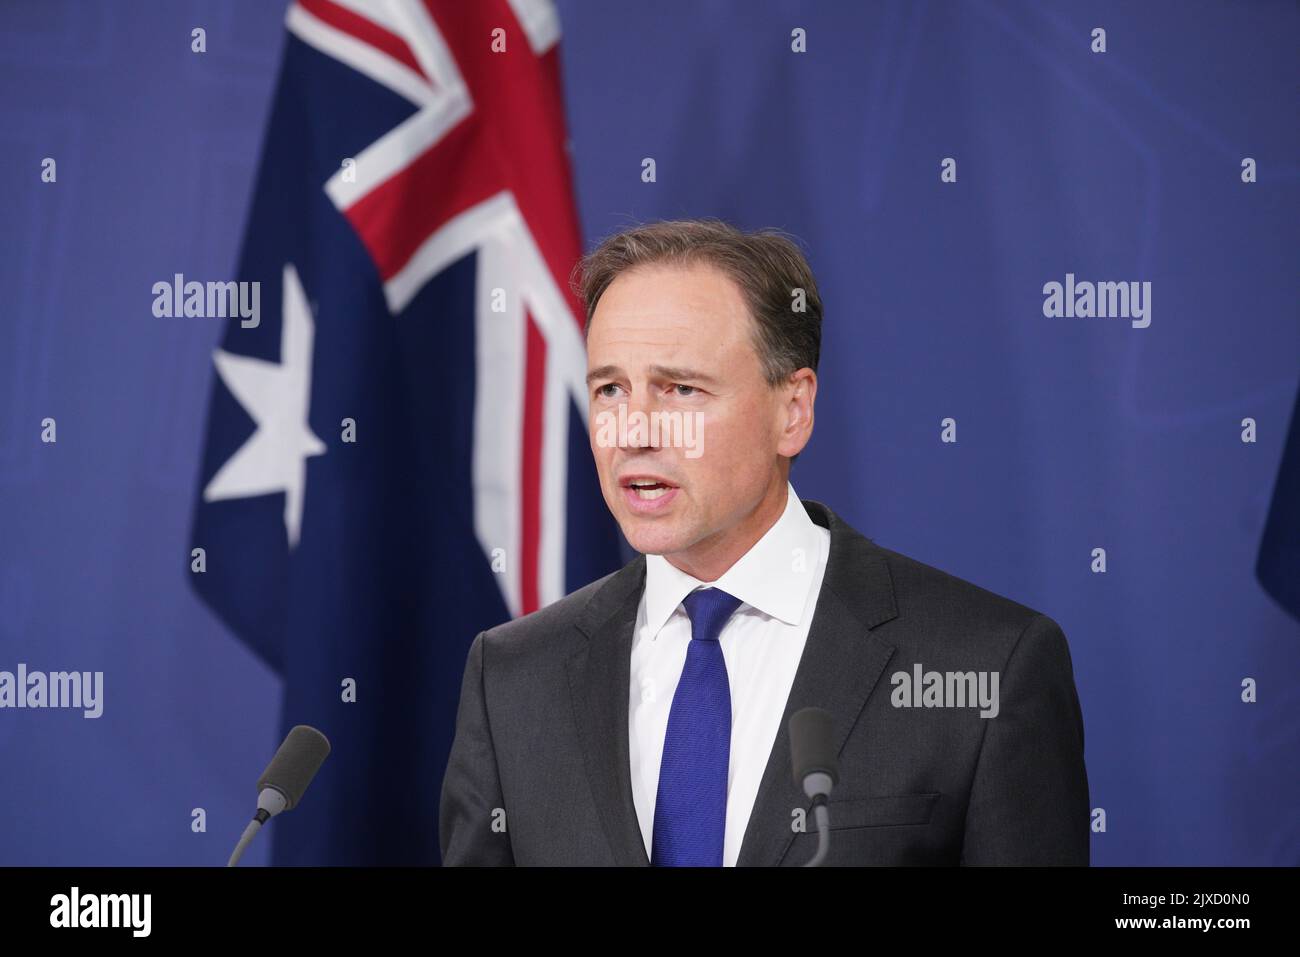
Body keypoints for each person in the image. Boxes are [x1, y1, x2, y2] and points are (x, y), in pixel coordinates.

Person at [439, 219, 1089, 866]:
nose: (631, 430)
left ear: (792, 412)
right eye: (610, 388)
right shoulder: (514, 678)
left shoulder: (988, 665)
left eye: (681, 389)